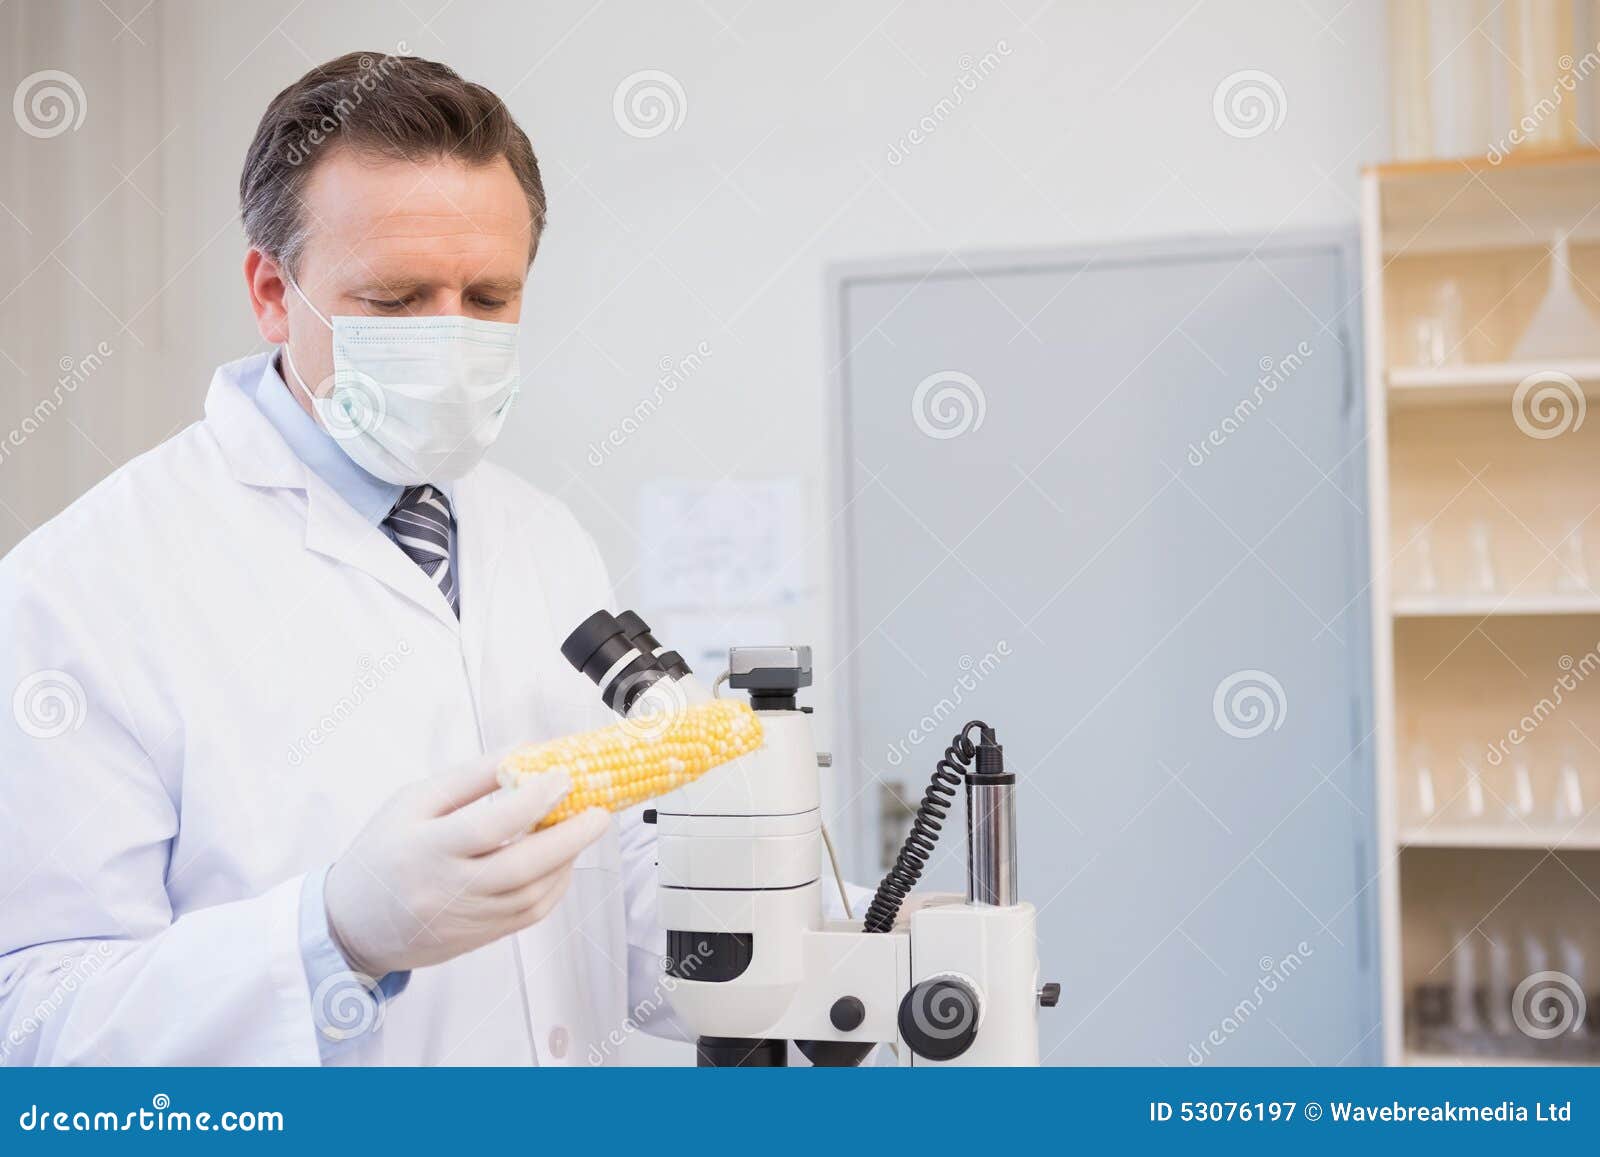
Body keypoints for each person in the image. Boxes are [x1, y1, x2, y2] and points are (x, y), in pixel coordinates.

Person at [0, 51, 859, 1066]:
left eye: (488, 297)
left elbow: (610, 903)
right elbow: (38, 1027)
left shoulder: (541, 536)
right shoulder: (82, 585)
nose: (449, 339)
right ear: (273, 291)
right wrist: (335, 934)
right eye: (396, 299)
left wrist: (800, 937)